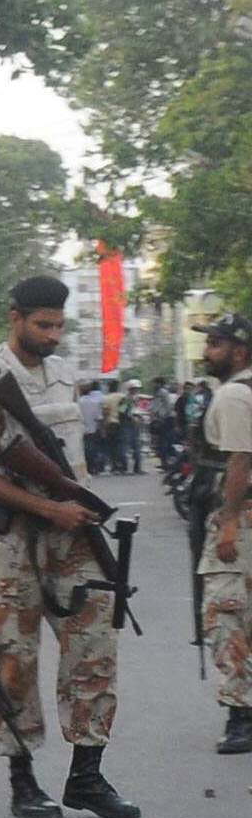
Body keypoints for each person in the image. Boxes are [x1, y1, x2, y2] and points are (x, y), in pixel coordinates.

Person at [0, 275, 142, 818]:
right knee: (12, 660)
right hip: (11, 541)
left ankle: (86, 775)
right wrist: (47, 509)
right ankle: (23, 780)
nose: (52, 335)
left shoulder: (63, 375)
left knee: (94, 651)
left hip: (73, 537)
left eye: (59, 325)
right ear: (14, 317)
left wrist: (70, 508)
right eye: (43, 325)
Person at [194, 312, 252, 753]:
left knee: (225, 613)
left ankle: (241, 716)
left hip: (240, 515)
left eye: (215, 343)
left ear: (239, 350)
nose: (206, 352)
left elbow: (239, 461)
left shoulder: (234, 393)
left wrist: (229, 522)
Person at [78, 379, 108, 476]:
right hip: (93, 429)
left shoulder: (78, 403)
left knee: (84, 450)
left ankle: (88, 468)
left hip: (81, 430)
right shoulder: (94, 402)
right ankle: (95, 468)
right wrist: (102, 429)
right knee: (94, 449)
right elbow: (99, 418)